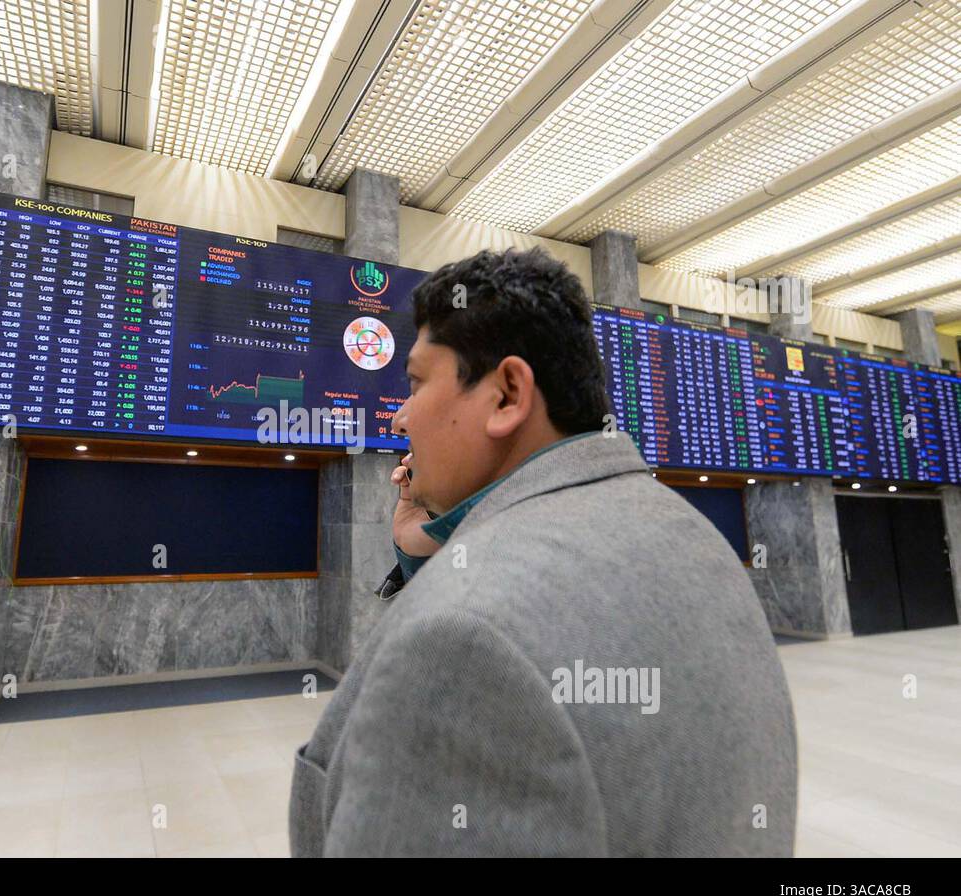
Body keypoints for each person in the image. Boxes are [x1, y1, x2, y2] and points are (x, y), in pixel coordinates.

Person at [289, 246, 797, 857]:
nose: (400, 419)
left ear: (507, 394)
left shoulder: (462, 643)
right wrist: (429, 553)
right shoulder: (701, 545)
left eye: (418, 383)